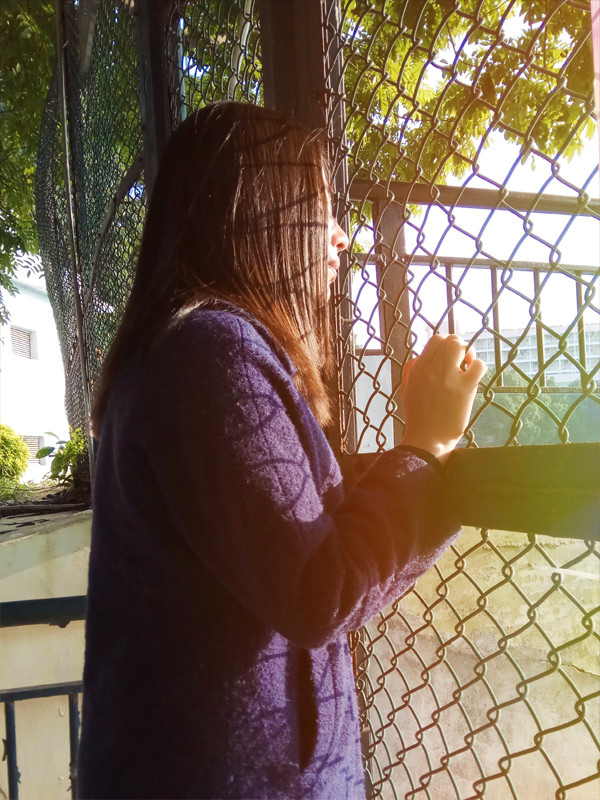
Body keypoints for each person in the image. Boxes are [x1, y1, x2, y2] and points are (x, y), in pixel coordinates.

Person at [77, 101, 486, 800]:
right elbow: (317, 588)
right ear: (259, 214)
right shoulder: (209, 353)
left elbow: (286, 542)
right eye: (320, 207)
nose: (342, 237)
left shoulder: (177, 352)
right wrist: (427, 442)